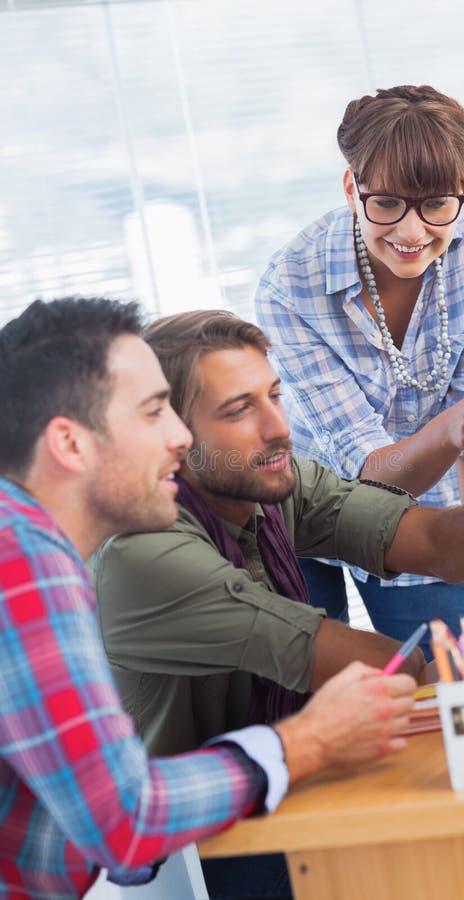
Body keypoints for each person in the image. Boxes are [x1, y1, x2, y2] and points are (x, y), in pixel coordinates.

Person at [0, 297, 421, 900]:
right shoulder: (22, 561)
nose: (179, 436)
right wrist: (306, 741)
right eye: (152, 414)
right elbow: (124, 822)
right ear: (70, 444)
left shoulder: (31, 549)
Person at [93, 308, 464, 768]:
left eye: (274, 396)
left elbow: (441, 546)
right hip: (193, 825)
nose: (279, 428)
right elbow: (379, 665)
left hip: (281, 782)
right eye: (240, 409)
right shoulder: (141, 551)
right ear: (170, 434)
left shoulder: (275, 484)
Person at [254, 84, 464, 655]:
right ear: (352, 188)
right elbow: (371, 473)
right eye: (386, 203)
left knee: (448, 663)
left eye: (435, 204)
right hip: (302, 499)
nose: (411, 231)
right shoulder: (290, 286)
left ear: (462, 192)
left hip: (428, 503)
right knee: (311, 680)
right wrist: (453, 427)